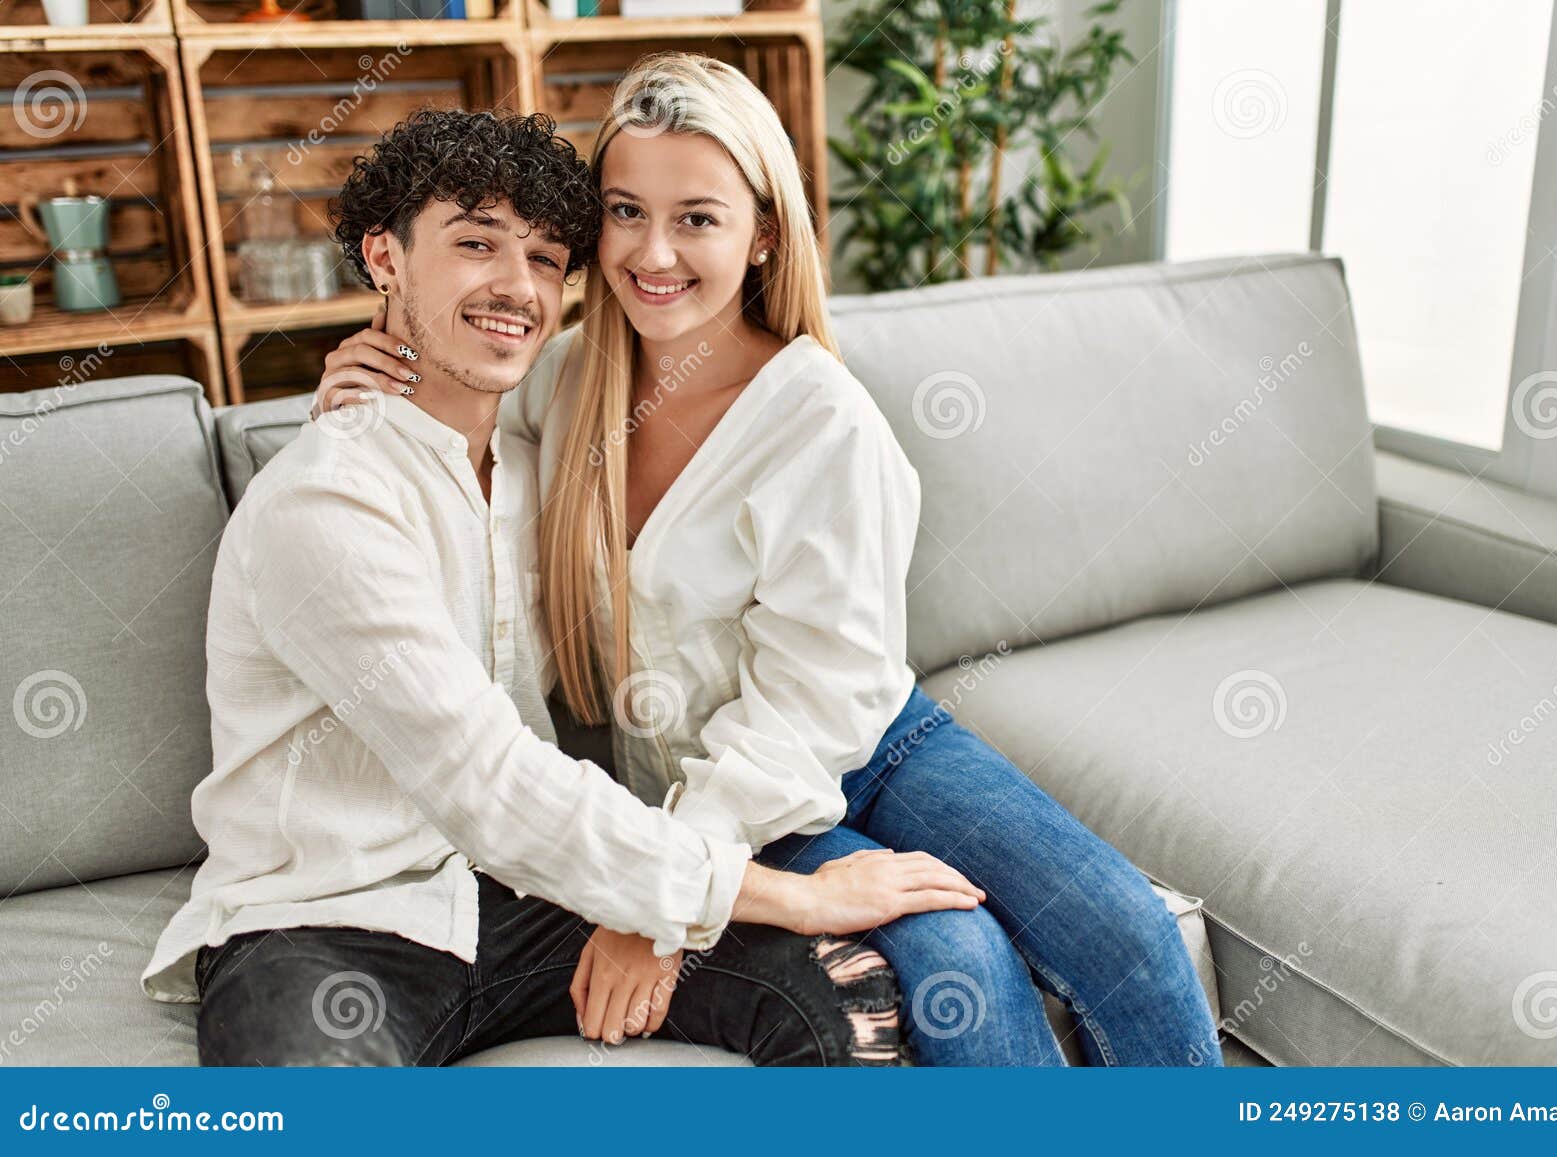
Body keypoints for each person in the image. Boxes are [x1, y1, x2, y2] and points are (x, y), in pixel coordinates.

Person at [316, 55, 1221, 1067]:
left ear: (763, 235)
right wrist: (370, 377)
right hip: (714, 769)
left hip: (861, 740)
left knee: (1124, 925)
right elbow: (458, 470)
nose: (653, 251)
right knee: (953, 953)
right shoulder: (561, 381)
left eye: (697, 217)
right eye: (624, 210)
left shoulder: (821, 420)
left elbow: (817, 702)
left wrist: (661, 901)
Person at [146, 108, 993, 1067]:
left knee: (844, 994)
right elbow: (488, 779)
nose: (517, 286)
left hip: (527, 896)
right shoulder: (323, 502)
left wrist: (675, 902)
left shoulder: (540, 455)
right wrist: (788, 895)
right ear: (382, 257)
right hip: (326, 920)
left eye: (547, 259)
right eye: (475, 244)